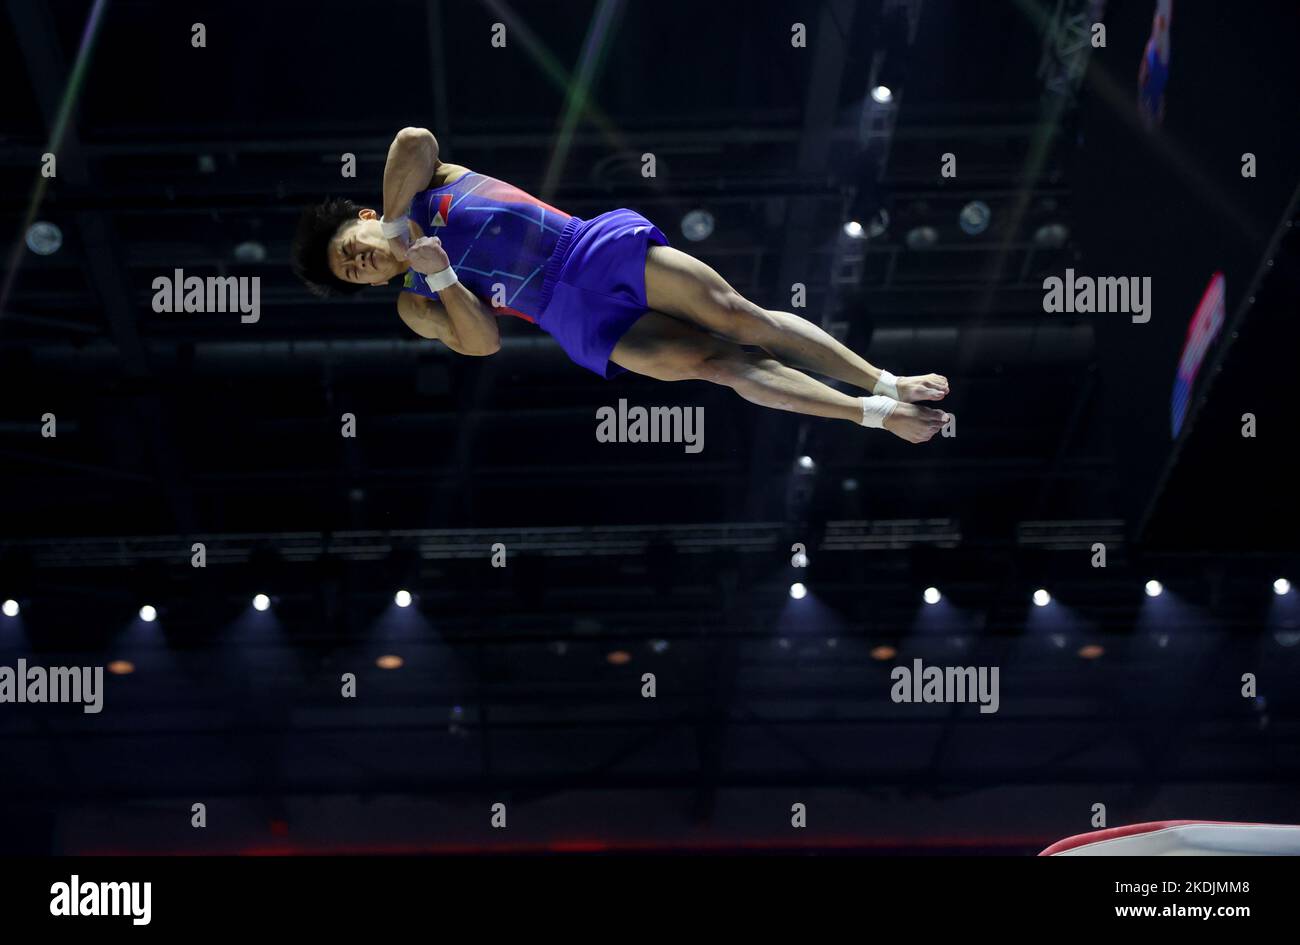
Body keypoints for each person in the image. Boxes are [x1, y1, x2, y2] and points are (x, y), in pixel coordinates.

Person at [293, 127, 951, 442]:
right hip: (571, 318)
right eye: (351, 272)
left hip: (589, 248)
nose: (358, 262)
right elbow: (481, 342)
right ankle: (877, 414)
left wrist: (405, 225)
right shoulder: (415, 301)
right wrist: (436, 271)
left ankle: (881, 378)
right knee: (721, 363)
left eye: (350, 249)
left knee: (737, 315)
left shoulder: (422, 187)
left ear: (365, 218)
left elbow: (414, 138)